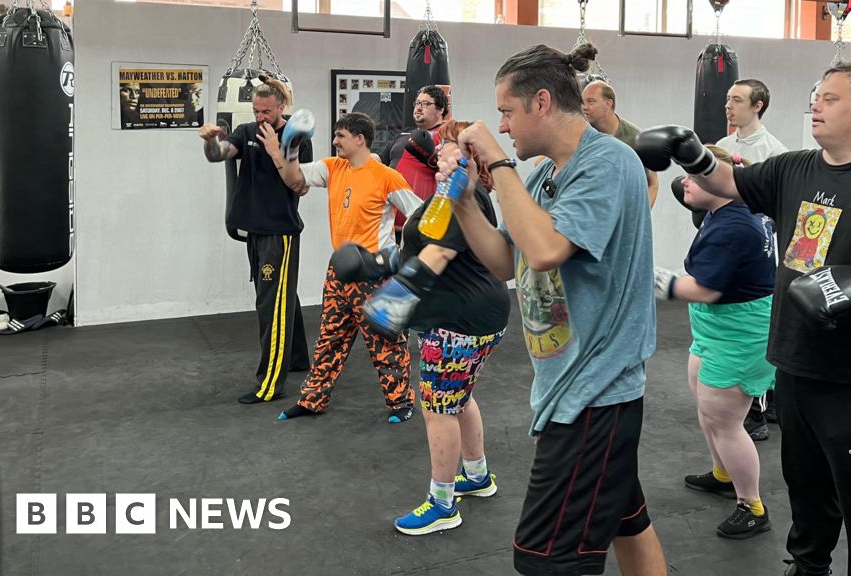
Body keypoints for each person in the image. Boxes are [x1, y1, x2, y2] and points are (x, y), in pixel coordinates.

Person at [636, 61, 851, 576]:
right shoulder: (794, 167)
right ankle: (809, 567)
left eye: (829, 98)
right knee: (805, 485)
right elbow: (729, 181)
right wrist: (691, 153)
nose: (815, 105)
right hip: (794, 360)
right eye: (815, 97)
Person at [441, 44, 667, 576]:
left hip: (595, 392)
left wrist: (497, 161)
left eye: (507, 111)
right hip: (568, 386)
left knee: (546, 561)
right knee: (626, 522)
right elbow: (508, 260)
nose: (503, 125)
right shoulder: (543, 174)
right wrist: (465, 200)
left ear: (541, 102)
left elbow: (546, 249)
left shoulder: (608, 161)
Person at [340, 120, 510, 535]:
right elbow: (419, 245)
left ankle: (443, 504)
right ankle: (477, 475)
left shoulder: (462, 194)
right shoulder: (446, 193)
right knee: (459, 398)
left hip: (459, 320)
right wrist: (376, 263)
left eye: (449, 144)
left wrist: (392, 300)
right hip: (472, 313)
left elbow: (439, 254)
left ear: (470, 157)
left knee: (437, 408)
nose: (439, 150)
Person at [261, 112, 422, 424]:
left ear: (360, 139)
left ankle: (401, 402)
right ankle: (312, 400)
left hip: (374, 274)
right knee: (329, 338)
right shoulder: (333, 168)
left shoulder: (386, 176)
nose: (334, 141)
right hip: (339, 271)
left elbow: (419, 217)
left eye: (340, 136)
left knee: (385, 342)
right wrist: (289, 150)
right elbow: (294, 179)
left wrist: (400, 259)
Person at [655, 145, 775, 540]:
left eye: (694, 175)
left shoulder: (734, 226)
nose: (684, 182)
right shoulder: (728, 211)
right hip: (716, 327)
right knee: (706, 406)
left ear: (722, 181)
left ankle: (752, 506)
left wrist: (653, 279)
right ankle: (724, 474)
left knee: (725, 420)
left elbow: (704, 289)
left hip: (740, 332)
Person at [198, 78, 313, 405]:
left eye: (266, 111)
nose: (260, 117)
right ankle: (297, 359)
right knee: (280, 297)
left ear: (281, 107)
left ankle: (270, 385)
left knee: (270, 305)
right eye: (256, 111)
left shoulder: (297, 138)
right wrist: (209, 141)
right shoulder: (246, 131)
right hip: (255, 229)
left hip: (280, 232)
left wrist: (276, 151)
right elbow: (219, 155)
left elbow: (301, 186)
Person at [718, 78, 788, 442]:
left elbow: (777, 205)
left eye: (737, 100)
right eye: (728, 99)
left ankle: (760, 406)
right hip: (731, 246)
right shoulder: (723, 146)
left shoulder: (774, 151)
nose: (728, 106)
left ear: (757, 106)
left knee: (760, 323)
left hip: (761, 247)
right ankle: (766, 398)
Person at [380, 86, 449, 235]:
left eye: (425, 104)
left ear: (440, 109)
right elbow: (378, 160)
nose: (418, 108)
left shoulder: (446, 137)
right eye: (417, 103)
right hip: (390, 228)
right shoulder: (402, 136)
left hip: (420, 228)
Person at [581, 80, 659, 206]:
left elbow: (652, 183)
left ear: (608, 103)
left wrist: (642, 213)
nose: (584, 107)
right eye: (582, 102)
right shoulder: (579, 135)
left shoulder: (637, 139)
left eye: (591, 101)